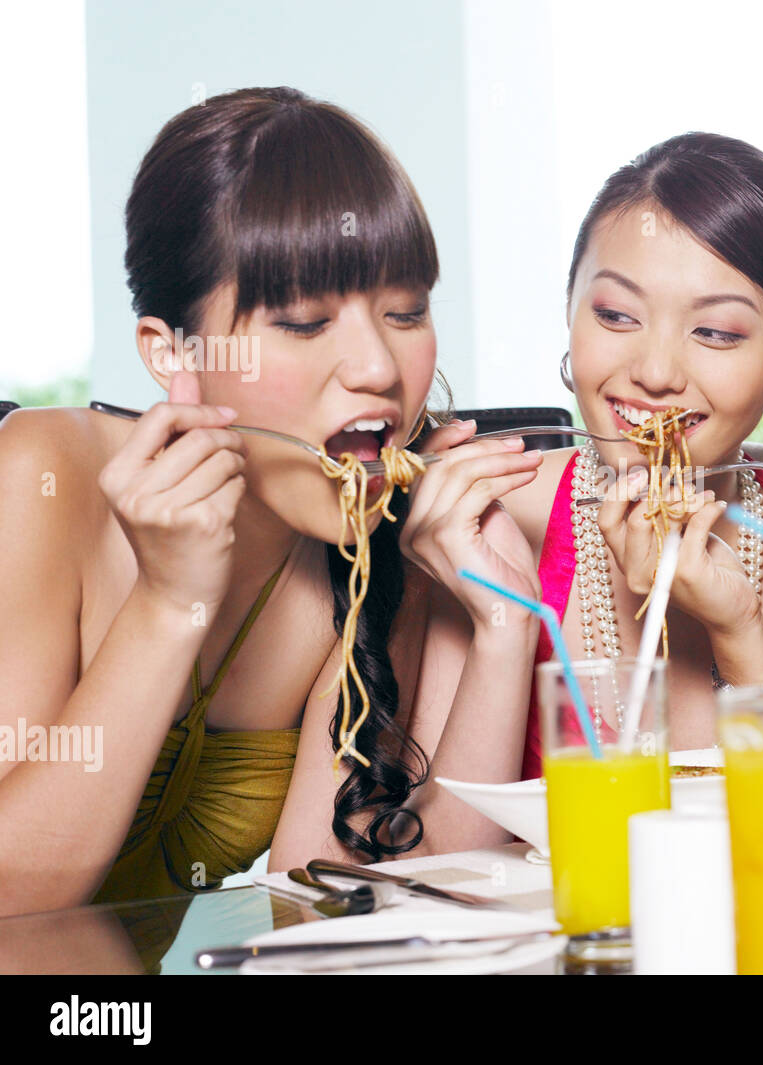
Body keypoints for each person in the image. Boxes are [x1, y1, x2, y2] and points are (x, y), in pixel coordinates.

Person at [0, 86, 543, 917]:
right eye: (302, 321)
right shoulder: (41, 477)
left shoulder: (374, 540)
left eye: (405, 311)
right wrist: (169, 600)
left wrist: (505, 625)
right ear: (170, 350)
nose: (376, 367)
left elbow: (335, 894)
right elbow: (11, 892)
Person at [469, 132, 763, 788]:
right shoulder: (491, 516)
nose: (653, 373)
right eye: (616, 314)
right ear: (570, 311)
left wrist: (737, 630)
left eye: (716, 332)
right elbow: (430, 866)